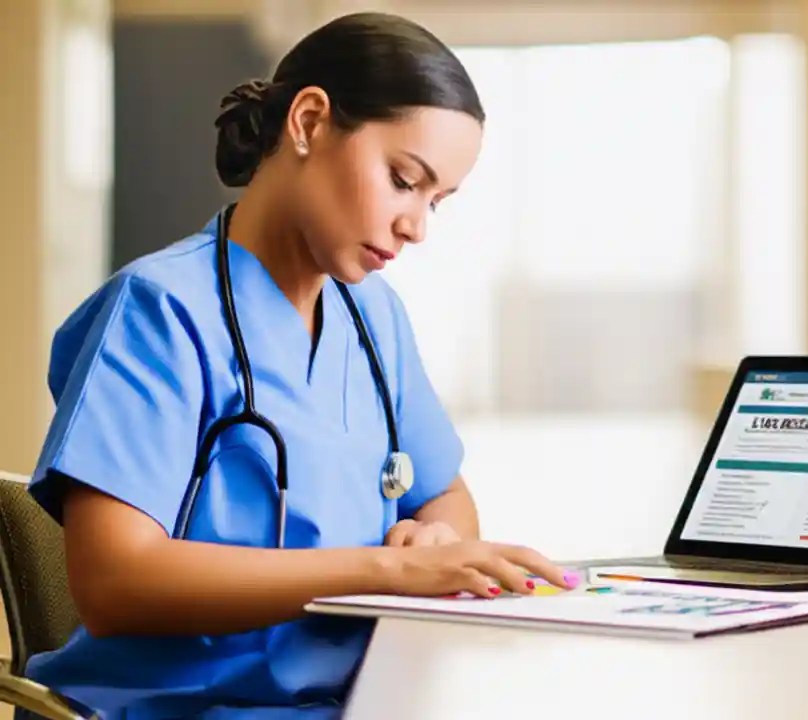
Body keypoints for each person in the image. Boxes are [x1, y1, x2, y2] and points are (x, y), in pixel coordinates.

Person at [19, 11, 574, 719]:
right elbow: (115, 581)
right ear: (308, 121)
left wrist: (433, 539)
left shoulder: (374, 321)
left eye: (438, 201)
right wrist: (390, 569)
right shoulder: (160, 312)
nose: (417, 226)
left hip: (360, 699)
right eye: (404, 180)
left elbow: (446, 498)